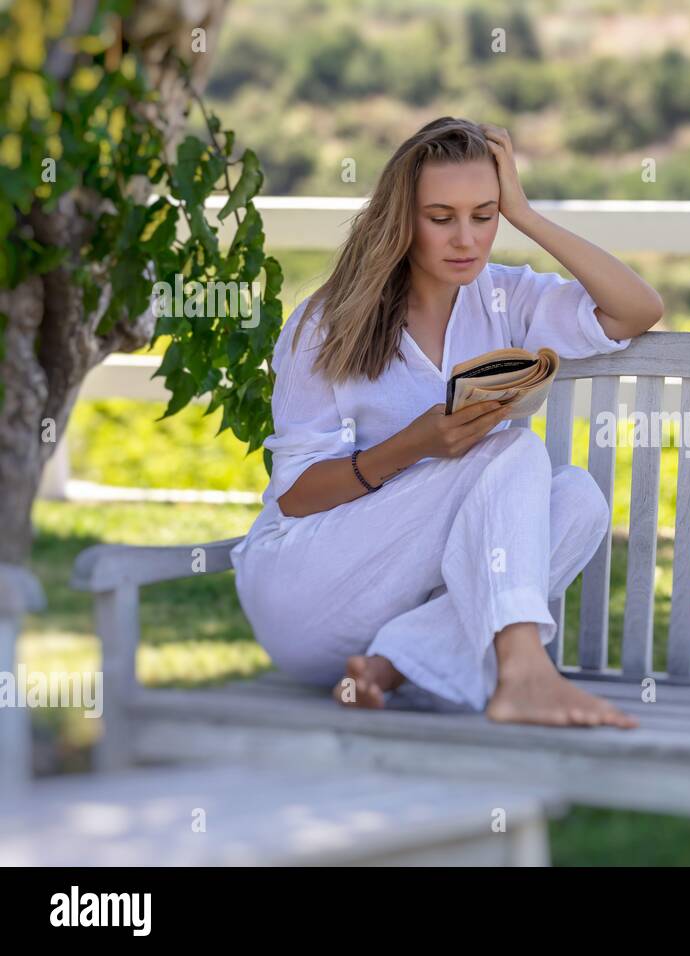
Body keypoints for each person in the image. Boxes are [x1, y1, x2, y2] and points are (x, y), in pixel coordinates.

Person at [229, 118, 663, 727]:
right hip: (308, 590)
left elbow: (638, 310)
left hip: (397, 607)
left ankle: (392, 665)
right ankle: (525, 671)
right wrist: (415, 445)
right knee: (509, 449)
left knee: (580, 501)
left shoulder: (506, 298)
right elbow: (295, 497)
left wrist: (526, 215)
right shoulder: (325, 323)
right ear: (401, 219)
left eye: (483, 216)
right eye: (441, 218)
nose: (466, 239)